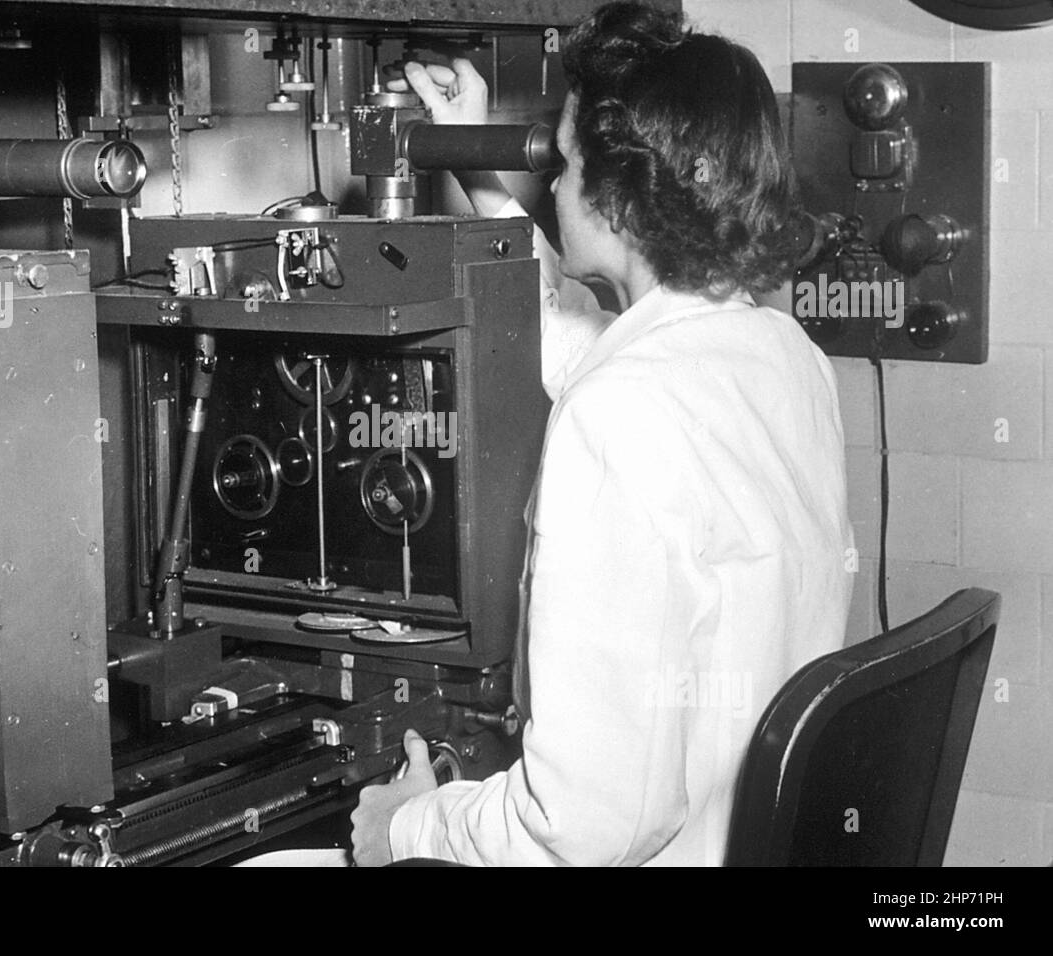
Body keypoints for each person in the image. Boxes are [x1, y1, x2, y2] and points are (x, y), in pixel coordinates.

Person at [350, 3, 855, 866]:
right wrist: (477, 162)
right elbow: (577, 338)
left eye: (569, 162)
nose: (554, 184)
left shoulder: (619, 412)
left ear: (622, 196)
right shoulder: (787, 360)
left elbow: (581, 828)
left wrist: (406, 829)